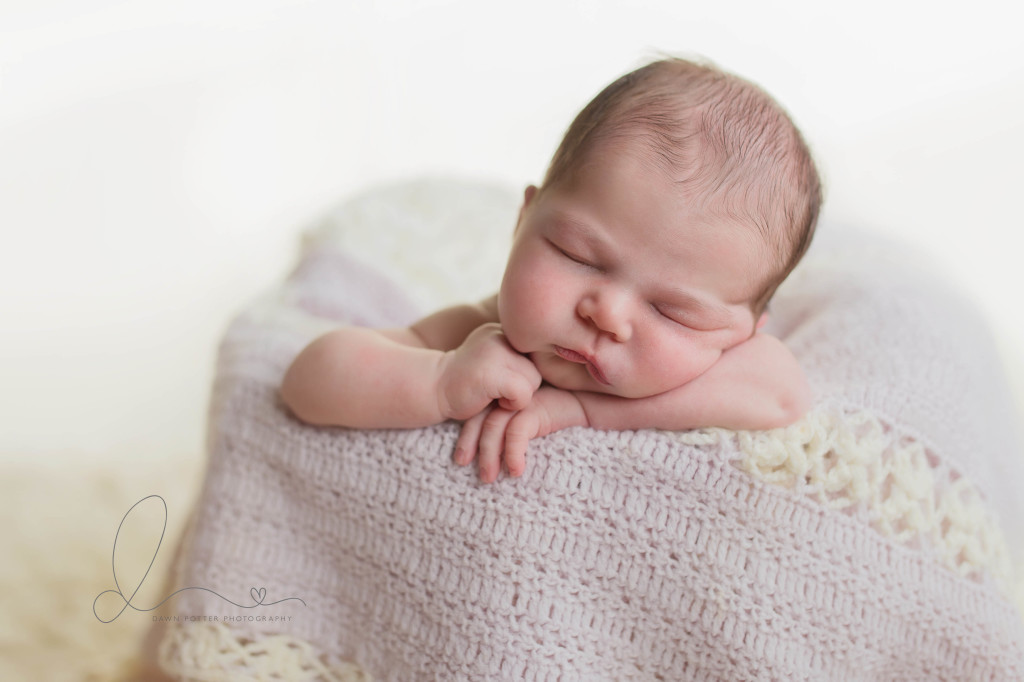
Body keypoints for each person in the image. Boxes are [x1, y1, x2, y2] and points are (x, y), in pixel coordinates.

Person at [281, 57, 822, 483]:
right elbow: (309, 380)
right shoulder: (476, 337)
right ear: (523, 219)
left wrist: (578, 409)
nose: (607, 314)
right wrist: (441, 380)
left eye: (672, 311)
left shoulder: (727, 368)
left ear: (748, 329)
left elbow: (782, 394)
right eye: (578, 257)